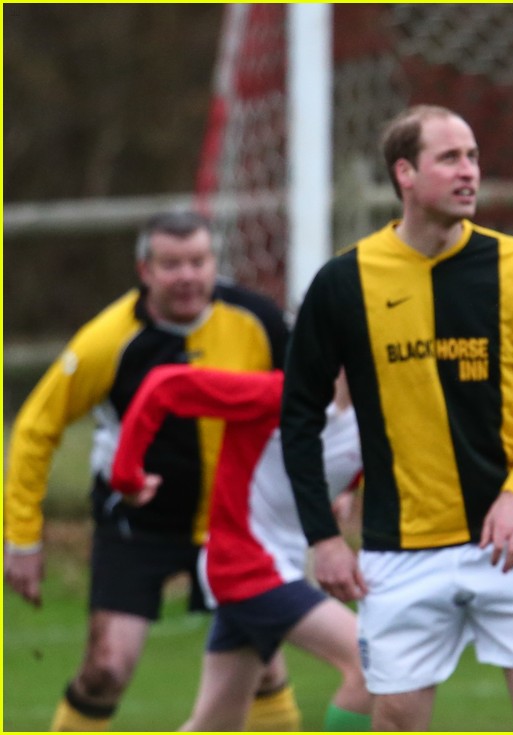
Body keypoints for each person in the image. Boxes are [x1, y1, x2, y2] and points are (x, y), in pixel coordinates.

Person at [280, 104, 513, 731]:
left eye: (472, 156)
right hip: (401, 549)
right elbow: (299, 415)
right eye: (450, 158)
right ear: (405, 174)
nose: (469, 171)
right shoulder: (343, 282)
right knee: (394, 718)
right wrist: (323, 537)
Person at [3, 211, 303, 731]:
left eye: (198, 261)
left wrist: (328, 487)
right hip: (136, 528)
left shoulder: (259, 321)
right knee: (105, 670)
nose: (186, 275)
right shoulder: (108, 341)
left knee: (263, 670)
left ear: (215, 264)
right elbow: (35, 428)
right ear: (145, 269)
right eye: (171, 264)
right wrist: (22, 537)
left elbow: (307, 407)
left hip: (235, 525)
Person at [109, 364, 373, 731]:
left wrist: (343, 495)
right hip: (245, 566)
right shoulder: (277, 394)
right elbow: (164, 385)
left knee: (214, 724)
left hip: (280, 569)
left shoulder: (373, 413)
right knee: (371, 661)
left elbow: (342, 464)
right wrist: (126, 476)